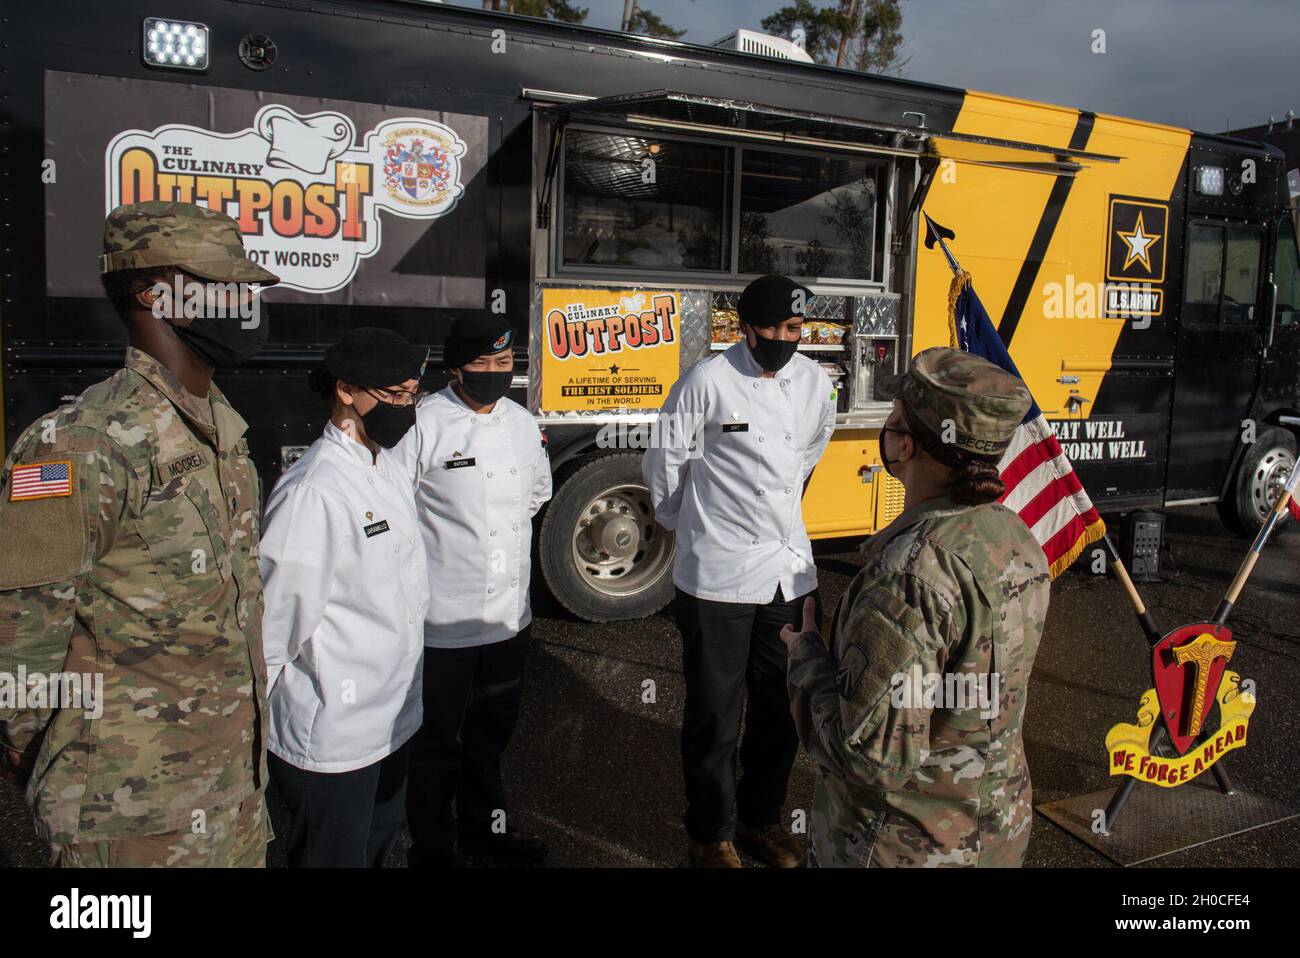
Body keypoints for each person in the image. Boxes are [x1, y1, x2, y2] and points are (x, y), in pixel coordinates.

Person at [0, 200, 279, 867]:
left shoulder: (222, 429)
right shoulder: (78, 445)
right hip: (128, 820)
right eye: (225, 284)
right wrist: (62, 772)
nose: (245, 301)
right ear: (157, 294)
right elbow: (19, 646)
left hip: (234, 795)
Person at [782, 346, 1051, 867]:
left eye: (895, 419)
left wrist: (805, 656)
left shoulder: (908, 575)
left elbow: (869, 757)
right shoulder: (1015, 537)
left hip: (900, 846)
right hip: (996, 833)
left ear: (904, 446)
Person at [643, 274, 837, 868]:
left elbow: (810, 451)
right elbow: (665, 461)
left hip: (789, 574)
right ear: (745, 328)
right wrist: (693, 525)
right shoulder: (708, 380)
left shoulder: (814, 382)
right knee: (714, 714)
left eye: (796, 328)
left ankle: (761, 822)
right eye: (776, 328)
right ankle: (711, 835)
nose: (787, 338)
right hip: (718, 579)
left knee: (782, 709)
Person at [258, 327, 430, 867]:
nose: (408, 408)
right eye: (395, 396)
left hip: (392, 716)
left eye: (413, 394)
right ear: (347, 392)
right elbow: (274, 625)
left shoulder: (387, 466)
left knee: (380, 848)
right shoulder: (314, 491)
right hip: (333, 731)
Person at [389, 314, 552, 867]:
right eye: (480, 364)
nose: (493, 373)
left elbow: (535, 494)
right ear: (455, 368)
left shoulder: (521, 422)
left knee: (490, 737)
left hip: (508, 615)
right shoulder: (423, 423)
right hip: (441, 618)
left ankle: (487, 833)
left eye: (503, 363)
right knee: (436, 742)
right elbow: (393, 510)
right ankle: (432, 850)